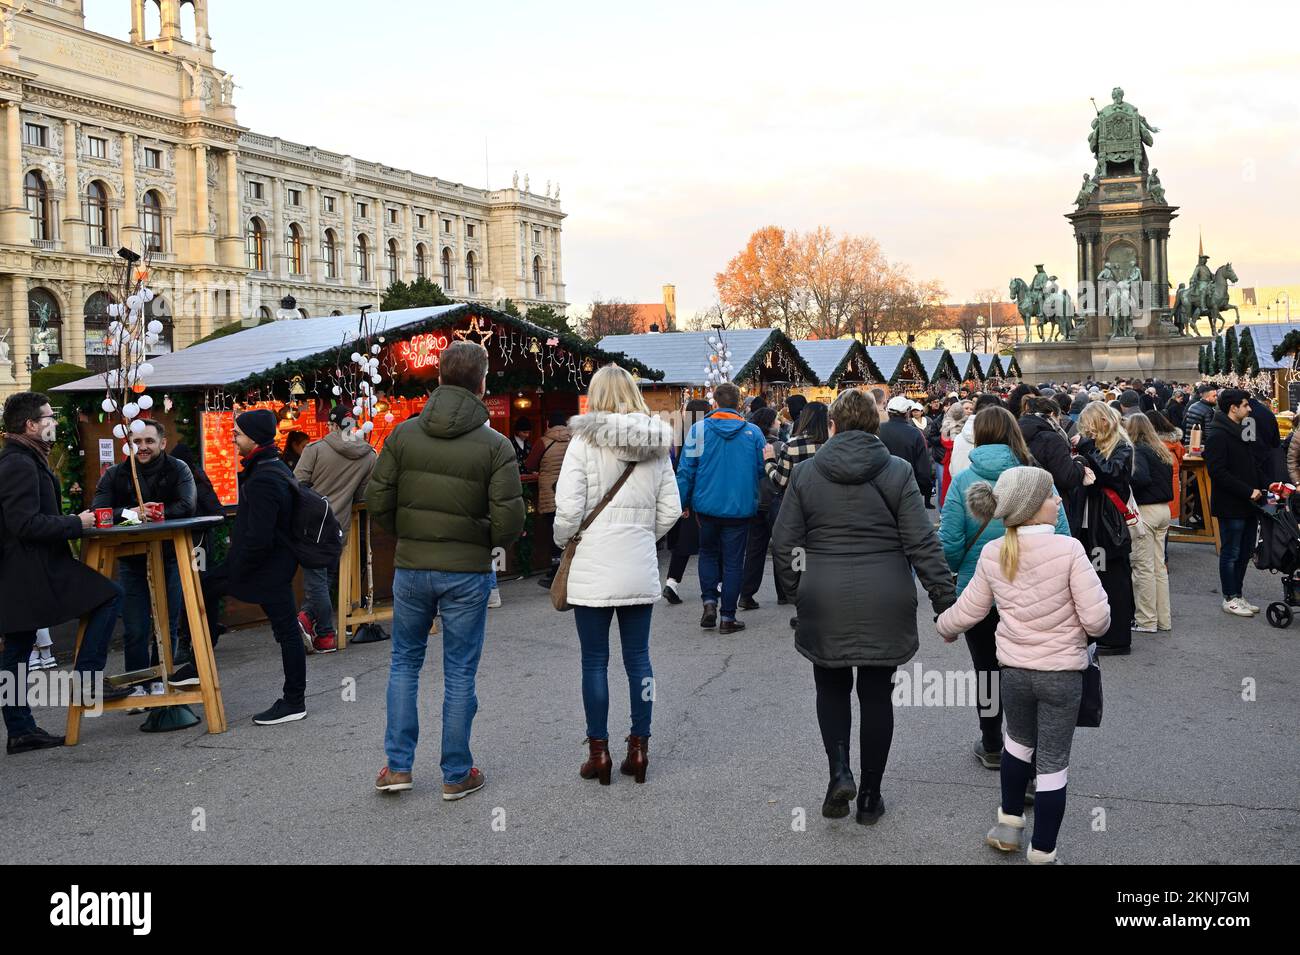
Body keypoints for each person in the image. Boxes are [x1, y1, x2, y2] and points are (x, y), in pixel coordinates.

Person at [772, 389, 955, 826]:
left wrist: (799, 591)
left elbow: (785, 543)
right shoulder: (897, 471)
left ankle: (839, 770)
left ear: (832, 426)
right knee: (877, 696)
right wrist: (944, 598)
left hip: (825, 594)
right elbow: (921, 540)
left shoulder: (806, 473)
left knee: (830, 687)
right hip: (885, 595)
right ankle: (870, 794)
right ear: (874, 426)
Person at [367, 341, 525, 798]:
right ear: (482, 383)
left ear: (437, 379)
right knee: (459, 671)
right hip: (467, 571)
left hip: (413, 566)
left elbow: (379, 500)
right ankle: (456, 773)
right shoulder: (495, 445)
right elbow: (510, 519)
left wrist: (408, 532)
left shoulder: (402, 435)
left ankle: (398, 767)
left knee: (404, 664)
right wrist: (483, 540)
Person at [936, 466, 1110, 865]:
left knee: (1016, 744)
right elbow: (1098, 621)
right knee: (1052, 765)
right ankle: (1043, 851)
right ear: (1034, 506)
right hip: (1061, 676)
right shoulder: (1069, 551)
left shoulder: (995, 553)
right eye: (1051, 496)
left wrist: (943, 627)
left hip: (1013, 672)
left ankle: (1009, 824)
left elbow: (969, 610)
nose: (1058, 501)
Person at [553, 366, 680, 786]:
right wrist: (642, 536)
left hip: (592, 564)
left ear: (595, 396)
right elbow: (669, 511)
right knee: (639, 660)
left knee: (594, 661)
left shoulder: (582, 442)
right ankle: (639, 749)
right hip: (638, 565)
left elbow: (569, 510)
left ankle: (599, 753)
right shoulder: (657, 444)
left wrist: (565, 539)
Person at [941, 407, 1071, 770]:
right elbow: (1062, 535)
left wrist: (958, 572)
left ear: (977, 436)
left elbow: (949, 543)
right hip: (1035, 592)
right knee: (1029, 669)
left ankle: (993, 742)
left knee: (986, 670)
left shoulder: (965, 481)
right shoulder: (1038, 480)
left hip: (981, 592)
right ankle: (1027, 747)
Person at [2, 392, 131, 754]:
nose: (54, 422)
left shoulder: (26, 457)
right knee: (111, 596)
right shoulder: (17, 463)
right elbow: (23, 523)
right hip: (30, 569)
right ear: (30, 424)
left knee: (17, 647)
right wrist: (76, 521)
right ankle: (86, 681)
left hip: (28, 567)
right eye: (48, 416)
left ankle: (21, 730)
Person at [168, 409, 307, 725]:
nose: (233, 437)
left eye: (238, 433)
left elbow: (259, 535)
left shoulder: (265, 477)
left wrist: (237, 565)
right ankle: (197, 660)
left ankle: (294, 700)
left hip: (266, 567)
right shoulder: (271, 468)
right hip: (269, 564)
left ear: (255, 438)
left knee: (286, 631)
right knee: (206, 588)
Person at [92, 417, 195, 700]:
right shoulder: (114, 475)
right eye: (137, 441)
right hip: (132, 560)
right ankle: (137, 683)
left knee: (167, 623)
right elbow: (99, 511)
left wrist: (155, 512)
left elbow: (187, 505)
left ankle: (162, 677)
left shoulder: (178, 469)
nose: (143, 447)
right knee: (136, 627)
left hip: (170, 556)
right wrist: (132, 513)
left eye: (149, 441)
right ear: (128, 445)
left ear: (162, 442)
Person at [677, 382, 765, 634]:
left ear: (715, 402)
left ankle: (709, 602)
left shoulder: (698, 430)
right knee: (734, 562)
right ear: (738, 403)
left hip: (706, 506)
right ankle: (728, 616)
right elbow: (761, 469)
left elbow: (686, 470)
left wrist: (680, 502)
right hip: (740, 507)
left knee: (707, 553)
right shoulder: (753, 433)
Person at [294, 405, 377, 654]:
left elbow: (295, 485)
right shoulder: (369, 455)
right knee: (325, 579)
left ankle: (327, 634)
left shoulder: (315, 450)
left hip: (311, 527)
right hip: (339, 527)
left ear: (331, 425)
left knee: (316, 582)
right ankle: (310, 622)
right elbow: (363, 495)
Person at [1073, 402, 1136, 654]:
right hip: (1092, 524)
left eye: (1089, 427)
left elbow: (1110, 473)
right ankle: (1101, 633)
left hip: (1107, 526)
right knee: (1096, 580)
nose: (1086, 432)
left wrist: (1087, 449)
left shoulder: (1121, 447)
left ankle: (1118, 637)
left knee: (1113, 580)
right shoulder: (1101, 448)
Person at [1203, 389, 1266, 618]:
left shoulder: (1241, 430)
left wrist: (1263, 486)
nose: (1250, 409)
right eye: (1246, 405)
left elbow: (1249, 464)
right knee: (1231, 552)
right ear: (1233, 408)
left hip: (1248, 502)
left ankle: (1237, 595)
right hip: (1232, 503)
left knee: (1244, 551)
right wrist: (1248, 490)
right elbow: (1217, 471)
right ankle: (1229, 597)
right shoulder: (1219, 434)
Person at [1125, 412, 1174, 633]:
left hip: (1146, 511)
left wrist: (1125, 481)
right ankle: (1163, 619)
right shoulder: (1160, 449)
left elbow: (1140, 477)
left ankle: (1146, 620)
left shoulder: (1137, 450)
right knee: (1158, 568)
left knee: (1142, 568)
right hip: (1163, 510)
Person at [662, 399, 712, 604]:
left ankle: (671, 583)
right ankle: (714, 586)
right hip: (701, 495)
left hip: (682, 494)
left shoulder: (679, 436)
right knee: (711, 545)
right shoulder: (703, 435)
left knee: (684, 543)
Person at [1019, 397, 1090, 533]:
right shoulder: (1052, 438)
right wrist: (1080, 463)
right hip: (1053, 502)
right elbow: (1067, 477)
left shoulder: (1017, 432)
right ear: (1052, 414)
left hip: (1026, 501)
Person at [739, 407, 785, 610]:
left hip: (755, 500)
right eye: (776, 419)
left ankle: (746, 593)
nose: (780, 423)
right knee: (781, 547)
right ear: (769, 423)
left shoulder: (748, 444)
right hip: (775, 500)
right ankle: (784, 592)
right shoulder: (781, 446)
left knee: (754, 550)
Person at [523, 410, 573, 588]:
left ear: (548, 425)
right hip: (571, 491)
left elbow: (529, 464)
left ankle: (555, 570)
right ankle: (567, 568)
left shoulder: (543, 442)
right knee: (571, 530)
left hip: (550, 493)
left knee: (553, 532)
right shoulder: (572, 441)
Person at [879, 396, 934, 507]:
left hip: (882, 487)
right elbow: (923, 467)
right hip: (908, 487)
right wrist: (925, 488)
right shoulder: (915, 433)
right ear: (907, 413)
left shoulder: (878, 429)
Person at [939, 402, 967, 505]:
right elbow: (944, 441)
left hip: (956, 457)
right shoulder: (947, 423)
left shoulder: (967, 424)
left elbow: (945, 441)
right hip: (955, 458)